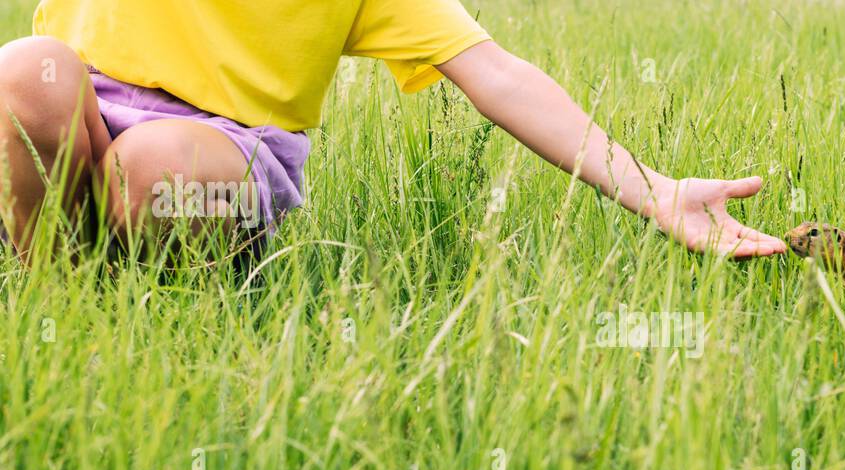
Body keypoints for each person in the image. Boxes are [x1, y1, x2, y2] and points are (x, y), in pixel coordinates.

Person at [0, 0, 788, 261]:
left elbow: (499, 77)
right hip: (82, 119)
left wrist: (657, 192)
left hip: (219, 156)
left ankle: (170, 287)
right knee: (25, 68)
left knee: (155, 165)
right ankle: (65, 299)